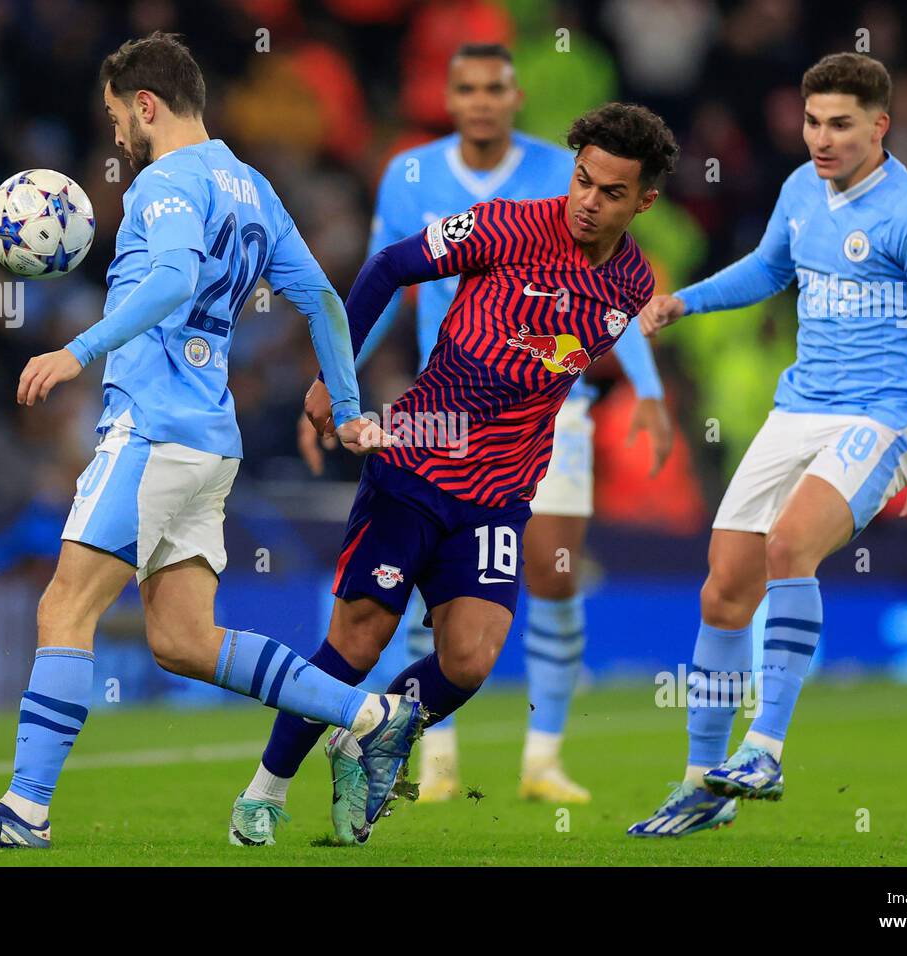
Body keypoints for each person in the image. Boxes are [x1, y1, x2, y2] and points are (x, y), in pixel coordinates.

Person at [0, 32, 420, 850]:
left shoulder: (163, 185)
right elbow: (327, 300)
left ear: (147, 104)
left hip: (150, 432)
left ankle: (25, 810)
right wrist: (350, 403)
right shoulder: (255, 188)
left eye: (118, 117)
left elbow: (179, 276)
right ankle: (373, 713)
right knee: (184, 641)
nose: (115, 135)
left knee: (63, 606)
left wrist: (76, 350)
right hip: (210, 444)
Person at [231, 101, 679, 846]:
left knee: (468, 660)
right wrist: (333, 379)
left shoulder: (631, 282)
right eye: (582, 180)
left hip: (500, 497)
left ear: (643, 202)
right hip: (414, 465)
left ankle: (367, 736)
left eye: (610, 192)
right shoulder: (506, 224)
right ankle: (264, 794)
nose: (587, 202)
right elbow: (389, 266)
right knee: (358, 643)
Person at [627, 52, 907, 838]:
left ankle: (766, 748)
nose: (822, 137)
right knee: (722, 590)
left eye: (841, 124)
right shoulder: (799, 189)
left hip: (884, 415)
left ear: (880, 126)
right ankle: (700, 787)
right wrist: (685, 300)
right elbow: (765, 270)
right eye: (813, 121)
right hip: (800, 407)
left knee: (791, 546)